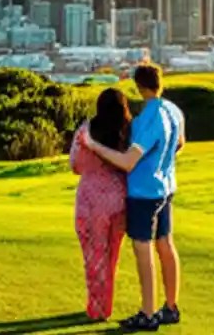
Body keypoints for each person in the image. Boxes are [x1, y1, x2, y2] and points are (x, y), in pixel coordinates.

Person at [83, 63, 184, 332]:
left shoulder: (145, 120)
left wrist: (93, 146)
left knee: (143, 249)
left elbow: (128, 162)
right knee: (165, 244)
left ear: (139, 87)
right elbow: (180, 143)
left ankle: (148, 314)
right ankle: (170, 307)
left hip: (144, 193)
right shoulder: (173, 111)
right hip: (166, 187)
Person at [69, 88, 133, 321]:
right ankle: (106, 305)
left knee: (94, 258)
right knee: (111, 256)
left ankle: (97, 307)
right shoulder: (128, 131)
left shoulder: (86, 132)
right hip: (119, 201)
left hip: (90, 201)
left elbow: (75, 165)